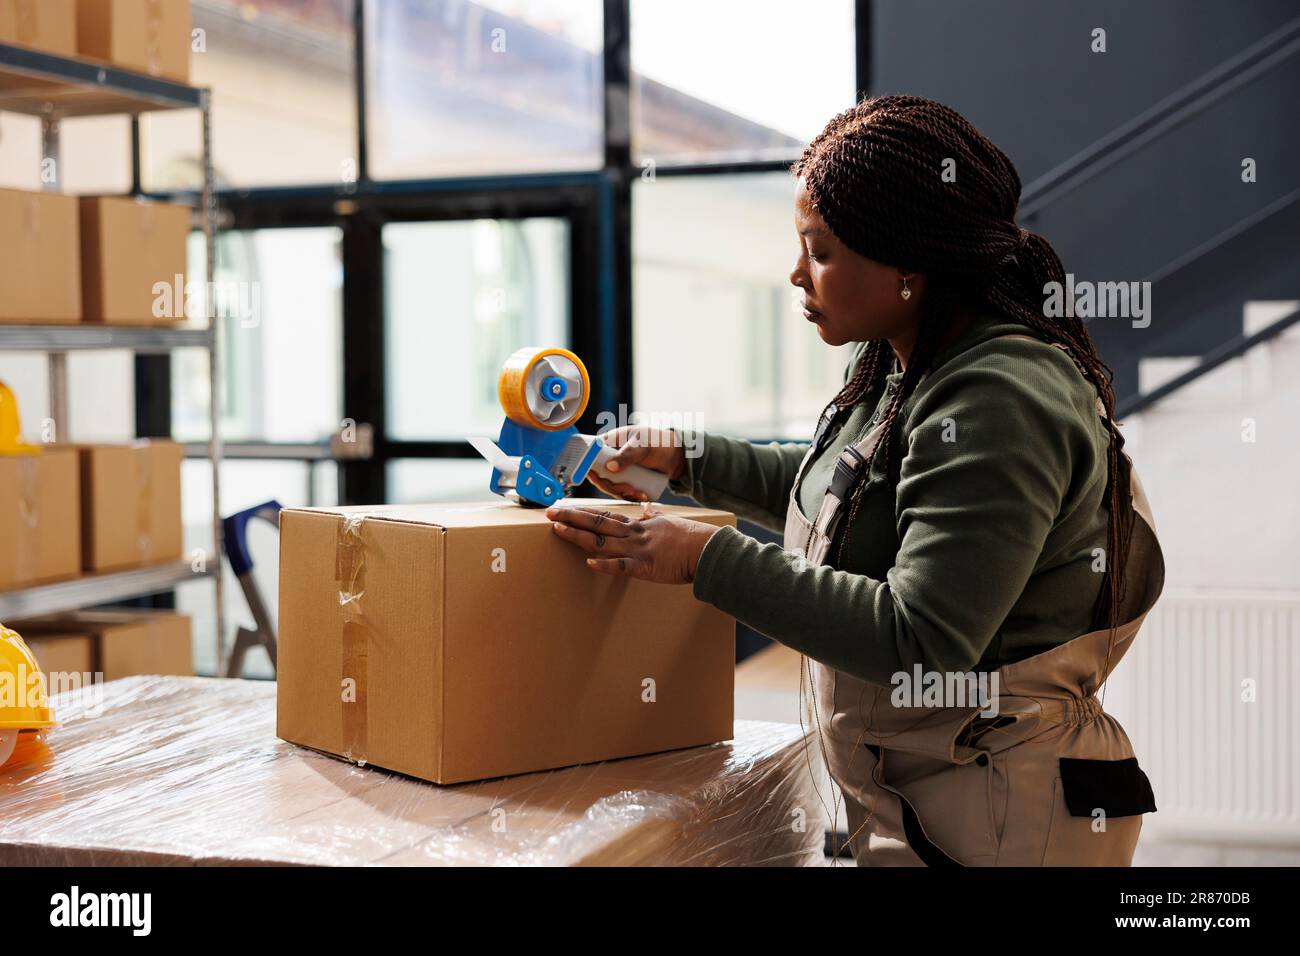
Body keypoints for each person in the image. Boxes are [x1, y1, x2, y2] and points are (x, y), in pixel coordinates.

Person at [545, 95, 1165, 866]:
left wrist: (704, 558)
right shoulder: (901, 364)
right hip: (932, 790)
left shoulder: (996, 396)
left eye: (823, 251)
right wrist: (687, 459)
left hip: (1007, 815)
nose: (797, 273)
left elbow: (921, 637)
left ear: (909, 260)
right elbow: (844, 499)